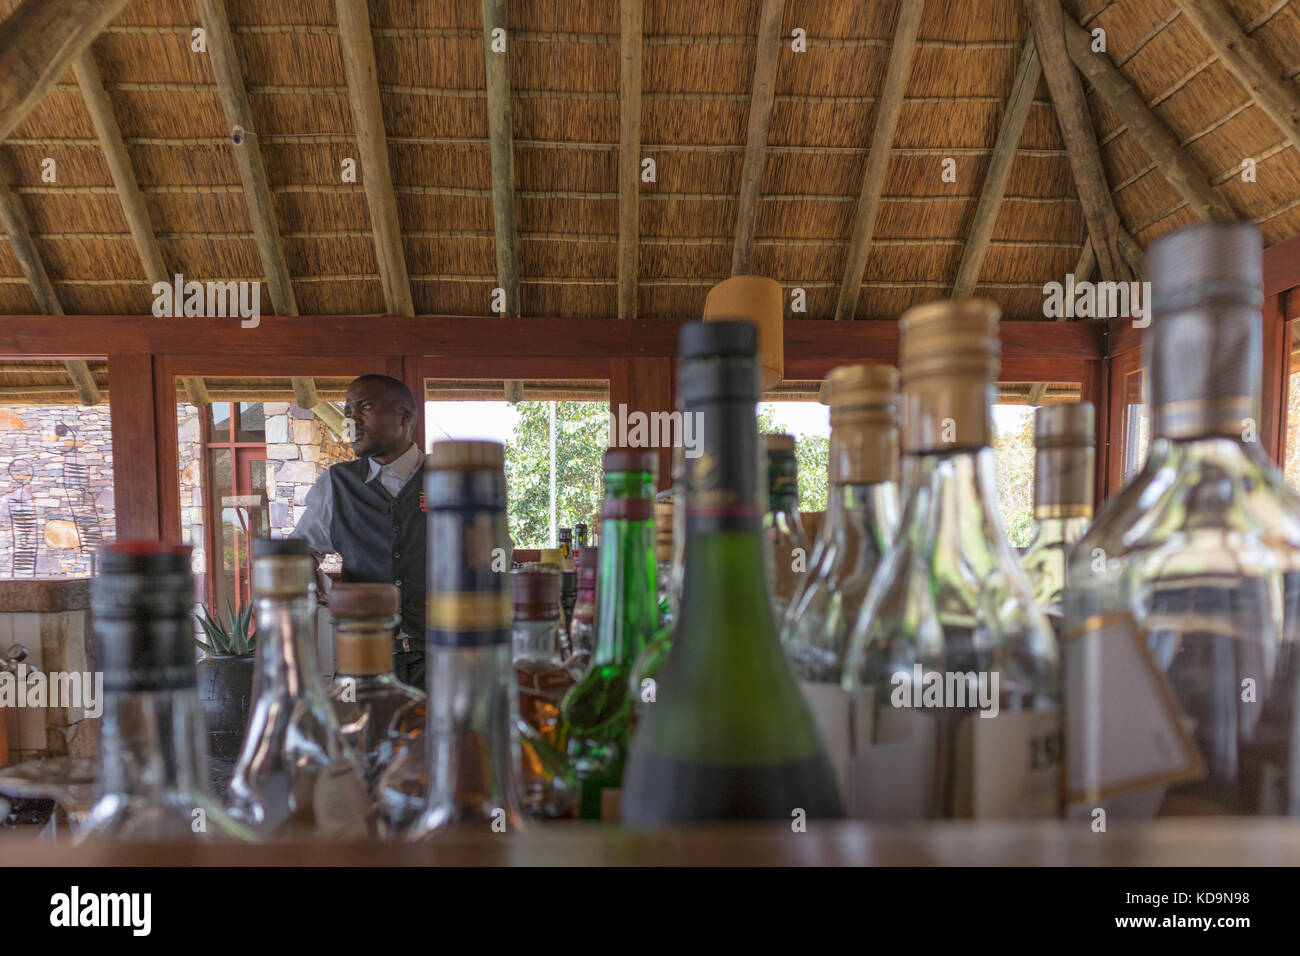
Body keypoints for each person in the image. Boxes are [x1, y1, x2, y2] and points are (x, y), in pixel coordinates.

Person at [292, 374, 426, 687]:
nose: (350, 421)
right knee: (357, 734)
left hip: (441, 661)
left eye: (363, 408)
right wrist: (316, 584)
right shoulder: (336, 485)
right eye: (347, 411)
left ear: (404, 416)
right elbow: (297, 555)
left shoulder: (450, 480)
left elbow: (492, 558)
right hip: (361, 664)